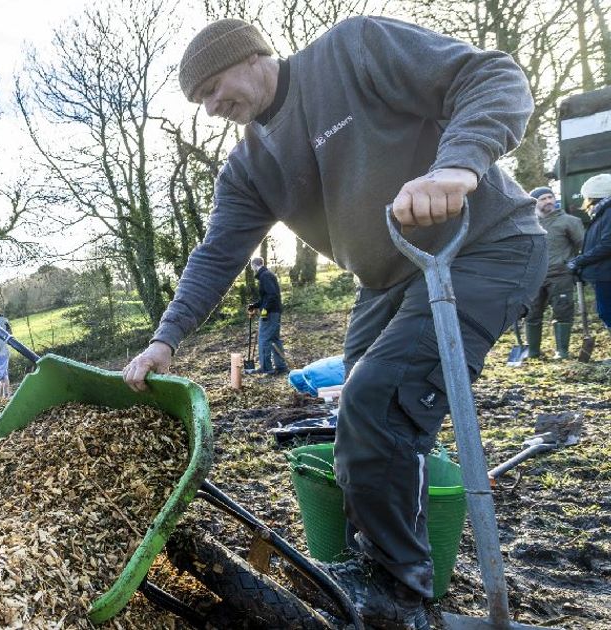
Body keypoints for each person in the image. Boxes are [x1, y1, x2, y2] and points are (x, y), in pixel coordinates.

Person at [122, 16, 545, 628]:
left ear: (252, 56)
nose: (211, 108)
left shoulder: (352, 52)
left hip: (482, 245)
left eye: (213, 88)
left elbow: (492, 75)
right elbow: (215, 255)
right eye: (200, 101)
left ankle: (398, 592)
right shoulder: (248, 168)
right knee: (356, 408)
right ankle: (373, 562)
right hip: (388, 279)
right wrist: (166, 339)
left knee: (378, 399)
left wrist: (457, 165)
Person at [524, 186, 585, 359]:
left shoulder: (569, 221)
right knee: (531, 312)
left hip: (560, 275)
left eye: (550, 197)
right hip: (534, 277)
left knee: (563, 311)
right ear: (534, 203)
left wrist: (576, 266)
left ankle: (562, 351)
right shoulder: (528, 223)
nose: (548, 201)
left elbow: (583, 246)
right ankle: (533, 351)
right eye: (543, 199)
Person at [569, 174, 611, 335]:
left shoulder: (608, 212)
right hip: (604, 274)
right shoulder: (603, 213)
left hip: (607, 275)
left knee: (608, 313)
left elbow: (607, 244)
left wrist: (579, 261)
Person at [246, 257, 288, 375]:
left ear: (254, 265)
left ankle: (266, 368)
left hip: (270, 313)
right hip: (275, 311)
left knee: (264, 339)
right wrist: (255, 305)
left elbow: (272, 295)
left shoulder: (265, 276)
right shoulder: (267, 275)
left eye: (252, 267)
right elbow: (266, 297)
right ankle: (281, 366)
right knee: (274, 339)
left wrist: (265, 310)